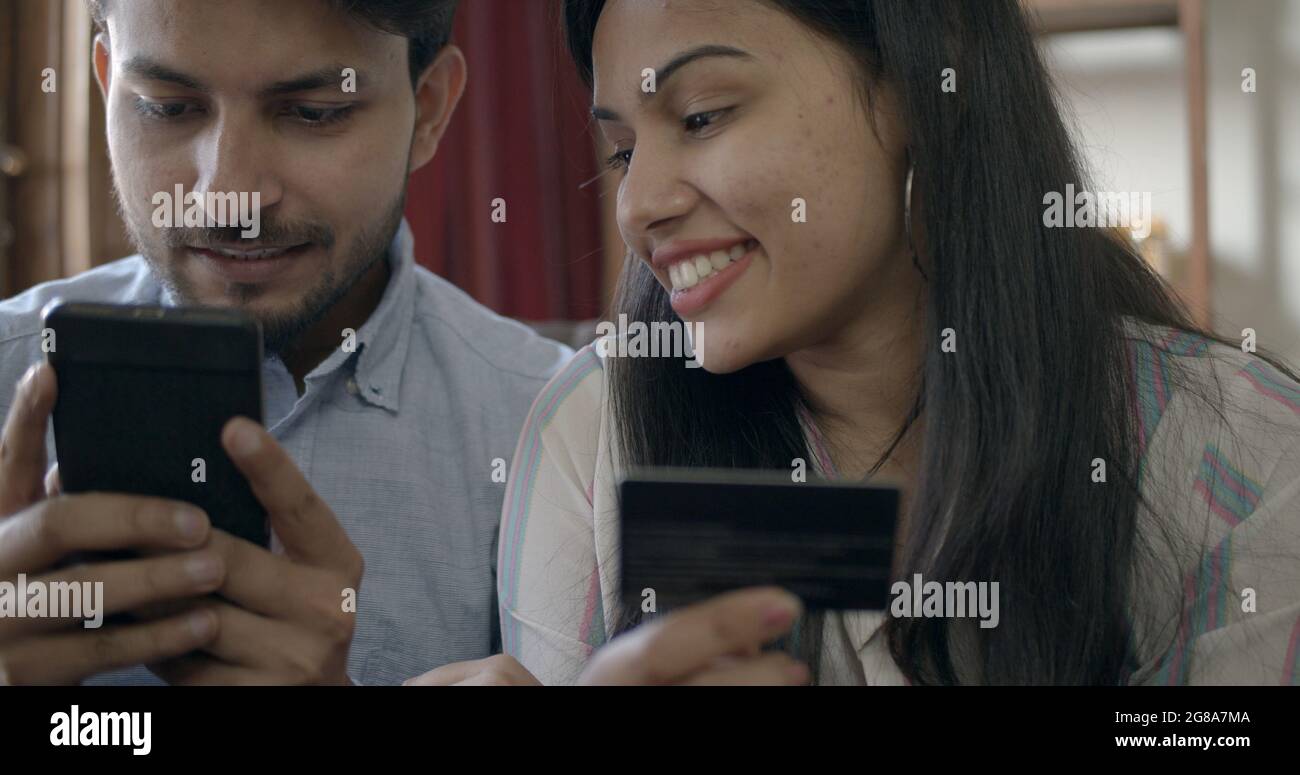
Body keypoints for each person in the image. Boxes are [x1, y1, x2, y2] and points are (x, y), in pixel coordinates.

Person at [496, 0, 1300, 685]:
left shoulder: (1240, 451)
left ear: (923, 79)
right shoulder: (591, 434)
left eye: (702, 116)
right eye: (624, 151)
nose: (637, 205)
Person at [0, 0, 570, 685]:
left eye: (314, 112)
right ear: (104, 84)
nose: (229, 194)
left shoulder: (557, 435)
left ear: (431, 110)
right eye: (167, 106)